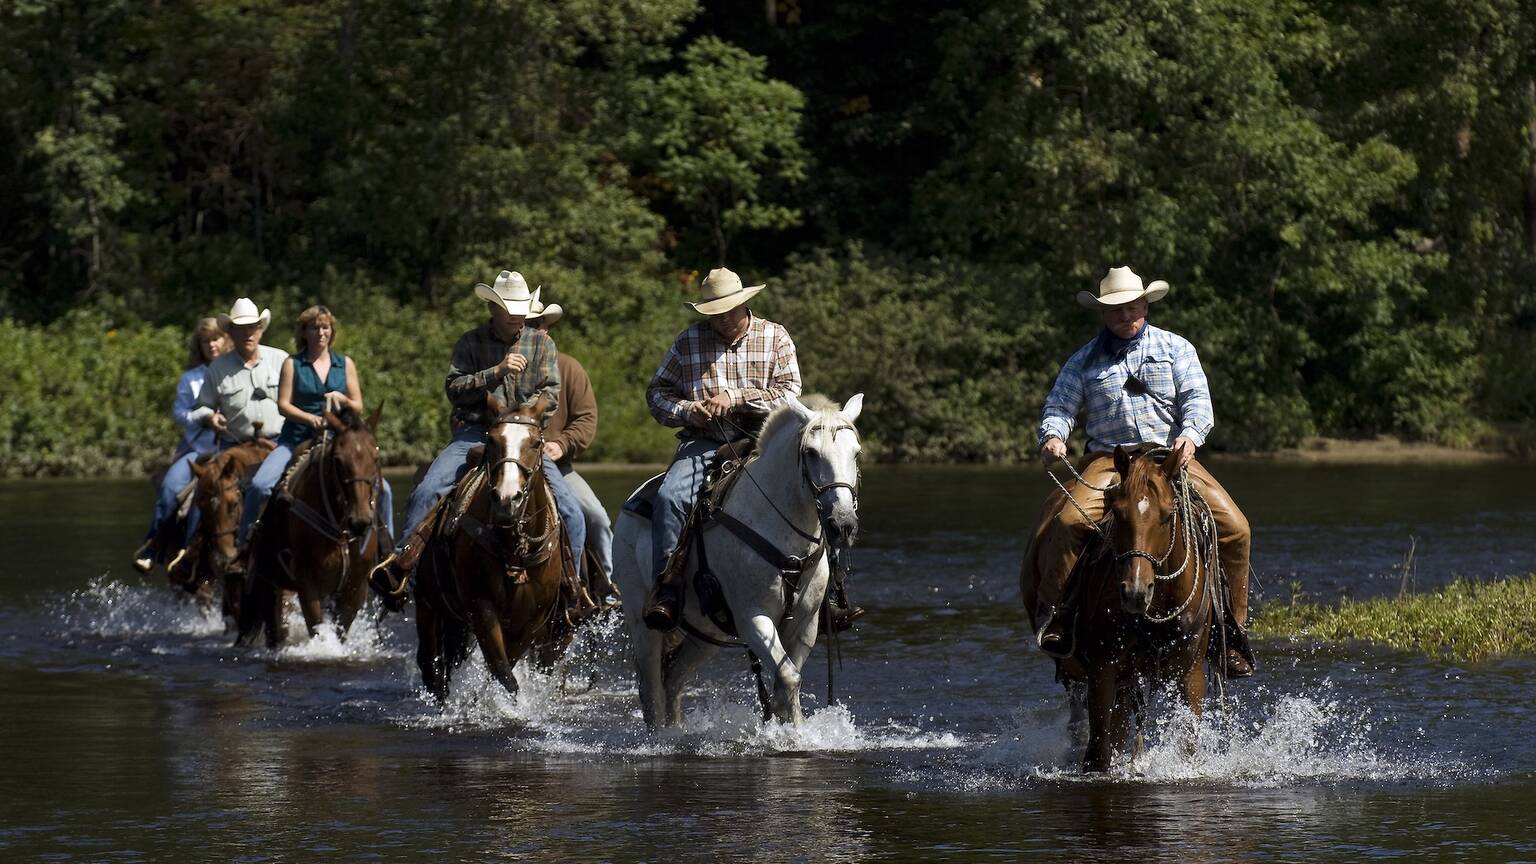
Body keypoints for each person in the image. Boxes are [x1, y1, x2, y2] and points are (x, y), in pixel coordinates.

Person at [1030, 266, 1253, 676]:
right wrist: (1053, 436)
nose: (1125, 316)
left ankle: (1231, 633)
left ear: (1145, 306)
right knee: (1067, 520)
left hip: (1168, 459)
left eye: (1132, 307)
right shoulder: (1083, 360)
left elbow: (1197, 402)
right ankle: (1059, 615)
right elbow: (1060, 406)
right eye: (1116, 310)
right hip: (1106, 461)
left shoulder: (1176, 348)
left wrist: (1189, 437)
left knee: (1237, 529)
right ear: (1103, 314)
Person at [640, 267, 861, 631]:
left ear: (743, 305)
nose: (723, 319)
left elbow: (790, 393)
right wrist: (687, 411)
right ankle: (667, 588)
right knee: (671, 497)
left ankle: (832, 593)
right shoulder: (688, 342)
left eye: (729, 310)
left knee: (825, 491)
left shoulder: (774, 336)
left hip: (769, 442)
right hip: (706, 441)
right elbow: (657, 394)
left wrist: (737, 397)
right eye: (715, 313)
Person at [369, 270, 581, 609]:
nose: (515, 315)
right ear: (492, 309)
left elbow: (550, 394)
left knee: (572, 511)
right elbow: (454, 389)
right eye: (508, 308)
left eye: (520, 309)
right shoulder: (470, 342)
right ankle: (402, 567)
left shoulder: (542, 343)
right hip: (475, 431)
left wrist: (518, 419)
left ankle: (571, 587)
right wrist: (495, 372)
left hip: (524, 435)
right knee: (428, 490)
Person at [240, 305, 395, 546]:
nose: (321, 332)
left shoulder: (345, 363)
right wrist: (309, 418)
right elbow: (283, 405)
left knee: (383, 489)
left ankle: (386, 550)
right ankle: (246, 545)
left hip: (338, 440)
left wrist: (342, 399)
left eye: (325, 327)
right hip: (295, 439)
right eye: (314, 327)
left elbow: (358, 406)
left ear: (331, 332)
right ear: (304, 332)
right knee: (260, 486)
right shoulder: (293, 363)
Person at [528, 298, 616, 600]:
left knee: (597, 518)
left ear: (547, 328)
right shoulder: (501, 368)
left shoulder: (568, 367)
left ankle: (609, 588)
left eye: (538, 325)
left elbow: (586, 418)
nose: (535, 331)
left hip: (558, 468)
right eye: (527, 326)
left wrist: (560, 444)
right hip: (509, 465)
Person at [132, 318, 232, 572]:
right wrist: (204, 416)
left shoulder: (235, 371)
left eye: (215, 339)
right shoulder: (191, 378)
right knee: (168, 489)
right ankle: (153, 545)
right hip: (196, 449)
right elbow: (180, 413)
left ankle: (192, 549)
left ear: (226, 340)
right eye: (205, 341)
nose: (211, 345)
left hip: (230, 449)